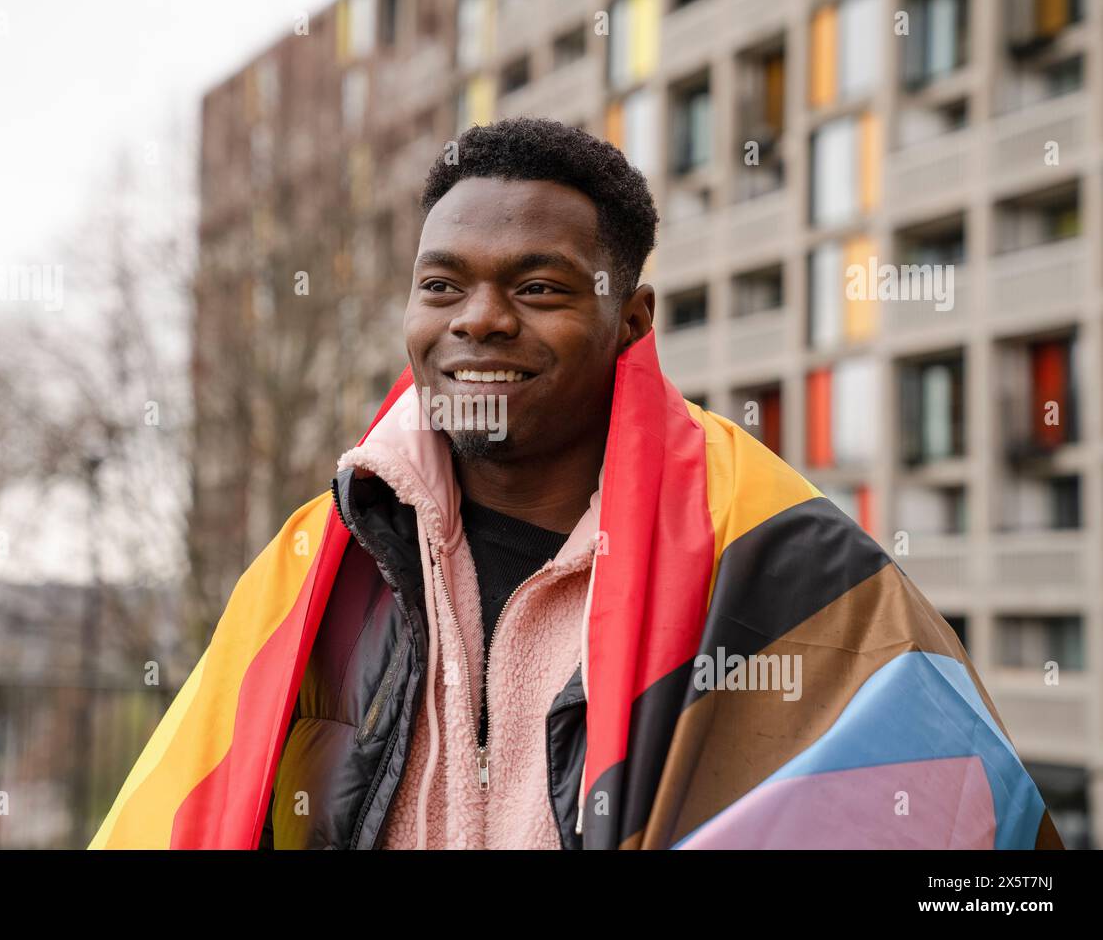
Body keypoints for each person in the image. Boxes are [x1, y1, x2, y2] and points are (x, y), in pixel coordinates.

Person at [92, 117, 1061, 850]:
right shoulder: (318, 558)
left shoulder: (787, 565)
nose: (478, 320)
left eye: (537, 288)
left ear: (631, 320)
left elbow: (966, 830)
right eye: (441, 286)